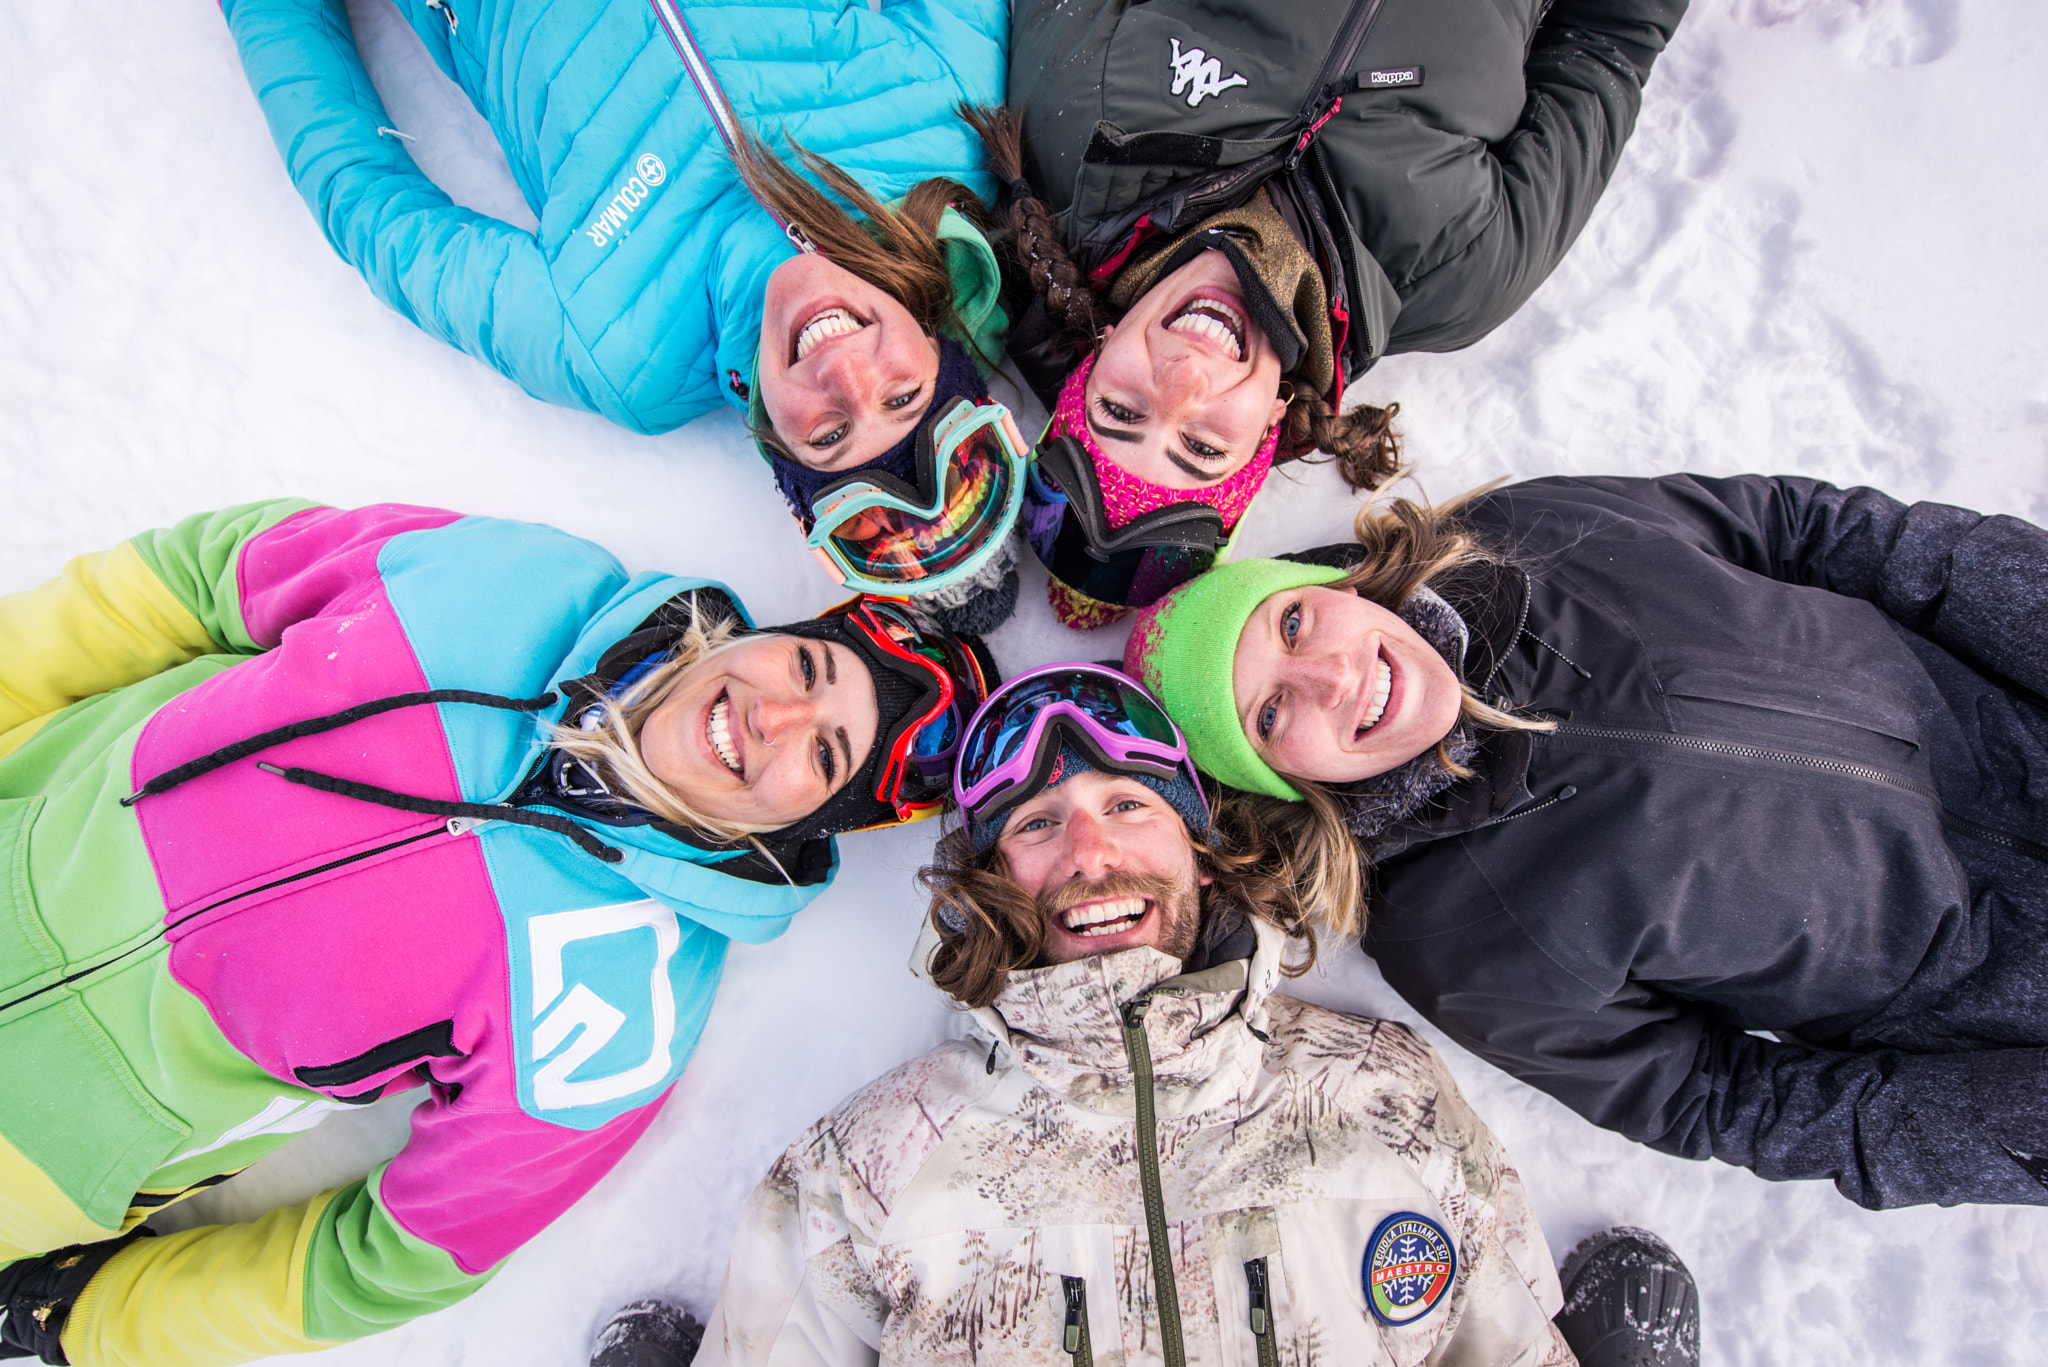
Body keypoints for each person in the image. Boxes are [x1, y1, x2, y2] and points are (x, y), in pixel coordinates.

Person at [0, 500, 994, 1367]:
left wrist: (94, 1319)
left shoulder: (616, 1011)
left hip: (31, 1154)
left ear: (798, 828)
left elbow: (394, 1261)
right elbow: (206, 578)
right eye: (809, 665)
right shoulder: (516, 586)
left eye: (822, 754)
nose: (774, 713)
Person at [604, 665, 1699, 1367]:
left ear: (1198, 847)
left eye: (1129, 804)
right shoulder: (871, 1163)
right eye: (1036, 825)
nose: (1090, 853)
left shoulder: (1380, 1090)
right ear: (990, 886)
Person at [1125, 473, 2048, 1210]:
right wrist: (1997, 1127)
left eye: (1292, 622)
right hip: (1997, 981)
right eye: (1273, 711)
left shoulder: (1524, 536)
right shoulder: (1453, 940)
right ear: (1285, 785)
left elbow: (1798, 530)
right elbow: (1709, 1096)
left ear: (1334, 584)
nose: (1331, 676)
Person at [221, 0, 1026, 628]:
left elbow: (374, 212)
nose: (845, 372)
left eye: (828, 434)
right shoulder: (941, 140)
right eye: (901, 398)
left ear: (772, 437)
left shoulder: (619, 347)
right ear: (936, 340)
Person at [970, 0, 1688, 627]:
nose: (1184, 380)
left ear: (1096, 348)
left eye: (1122, 410)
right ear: (1269, 430)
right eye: (1202, 447)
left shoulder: (1085, 129)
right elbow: (1608, 42)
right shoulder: (1457, 278)